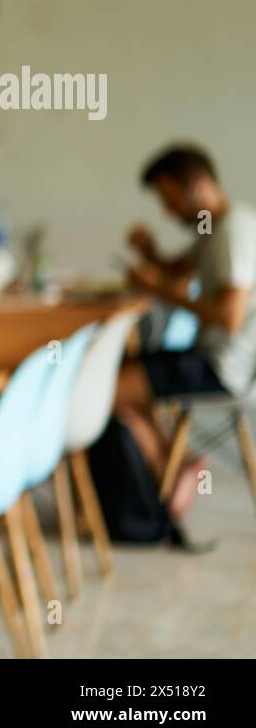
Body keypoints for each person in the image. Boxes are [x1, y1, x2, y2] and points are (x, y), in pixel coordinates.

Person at [115, 144, 256, 518]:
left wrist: (157, 289)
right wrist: (151, 253)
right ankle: (178, 464)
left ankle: (166, 480)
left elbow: (228, 317)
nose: (168, 211)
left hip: (221, 369)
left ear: (197, 185)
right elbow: (176, 271)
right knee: (123, 367)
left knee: (109, 392)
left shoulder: (234, 232)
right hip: (209, 357)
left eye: (170, 199)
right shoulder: (214, 228)